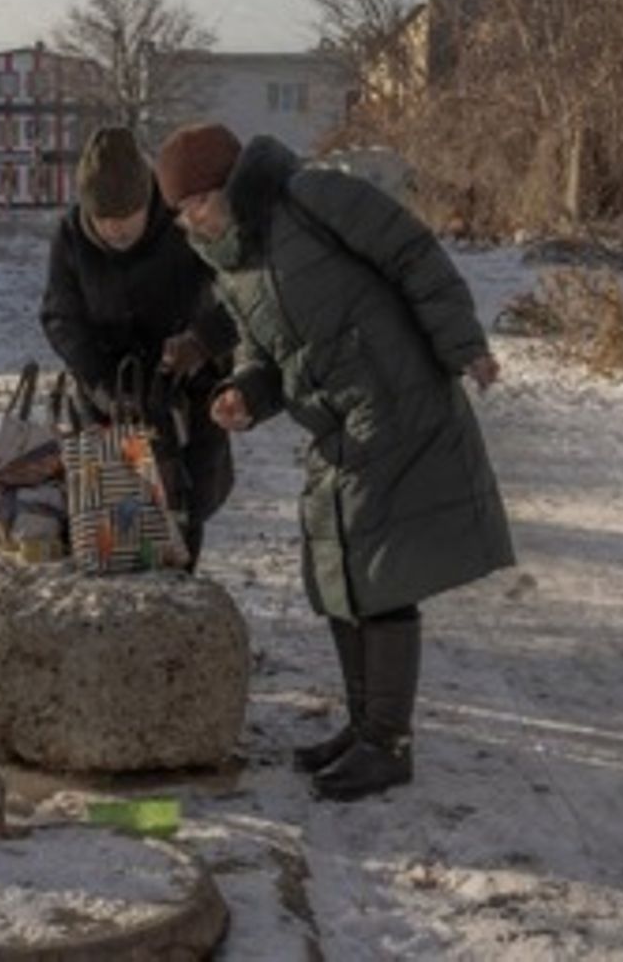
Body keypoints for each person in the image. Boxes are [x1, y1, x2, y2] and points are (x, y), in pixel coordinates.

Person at [155, 121, 514, 803]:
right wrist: (243, 395)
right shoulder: (232, 264)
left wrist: (463, 343)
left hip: (398, 398)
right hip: (337, 423)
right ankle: (364, 728)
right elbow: (266, 355)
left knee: (378, 567)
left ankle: (388, 742)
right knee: (339, 559)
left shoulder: (311, 195)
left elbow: (411, 253)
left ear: (227, 184)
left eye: (194, 201)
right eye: (180, 211)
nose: (188, 218)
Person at [40, 125, 237, 571]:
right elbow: (61, 316)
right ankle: (120, 606)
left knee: (186, 503)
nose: (114, 228)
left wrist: (202, 342)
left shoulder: (184, 222)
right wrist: (100, 382)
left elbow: (241, 298)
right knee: (114, 517)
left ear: (147, 201)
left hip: (185, 386)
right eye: (103, 219)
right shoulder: (71, 237)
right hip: (109, 392)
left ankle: (179, 586)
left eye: (126, 216)